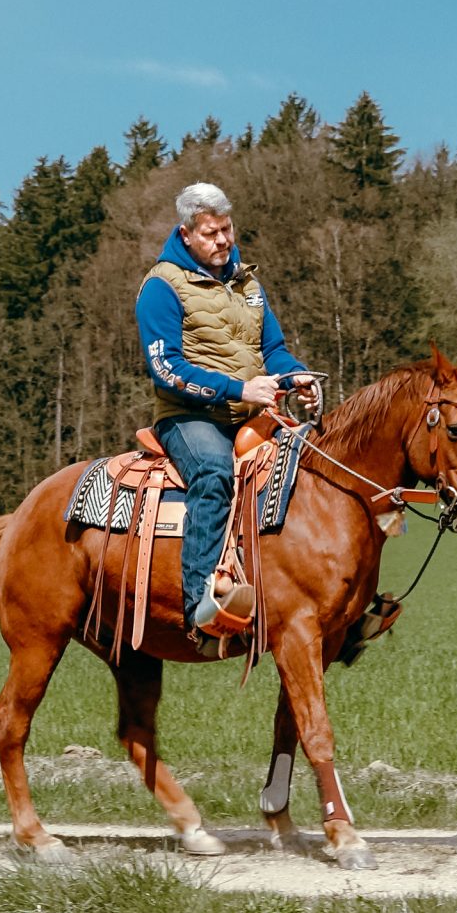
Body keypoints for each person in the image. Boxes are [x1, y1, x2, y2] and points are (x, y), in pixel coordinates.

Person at [136, 182, 316, 637]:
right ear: (187, 234)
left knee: (320, 457)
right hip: (190, 416)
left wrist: (296, 376)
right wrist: (239, 389)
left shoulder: (248, 282)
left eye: (227, 230)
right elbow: (166, 369)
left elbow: (272, 348)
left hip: (253, 410)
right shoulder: (160, 287)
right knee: (214, 474)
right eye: (212, 233)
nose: (223, 241)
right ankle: (202, 606)